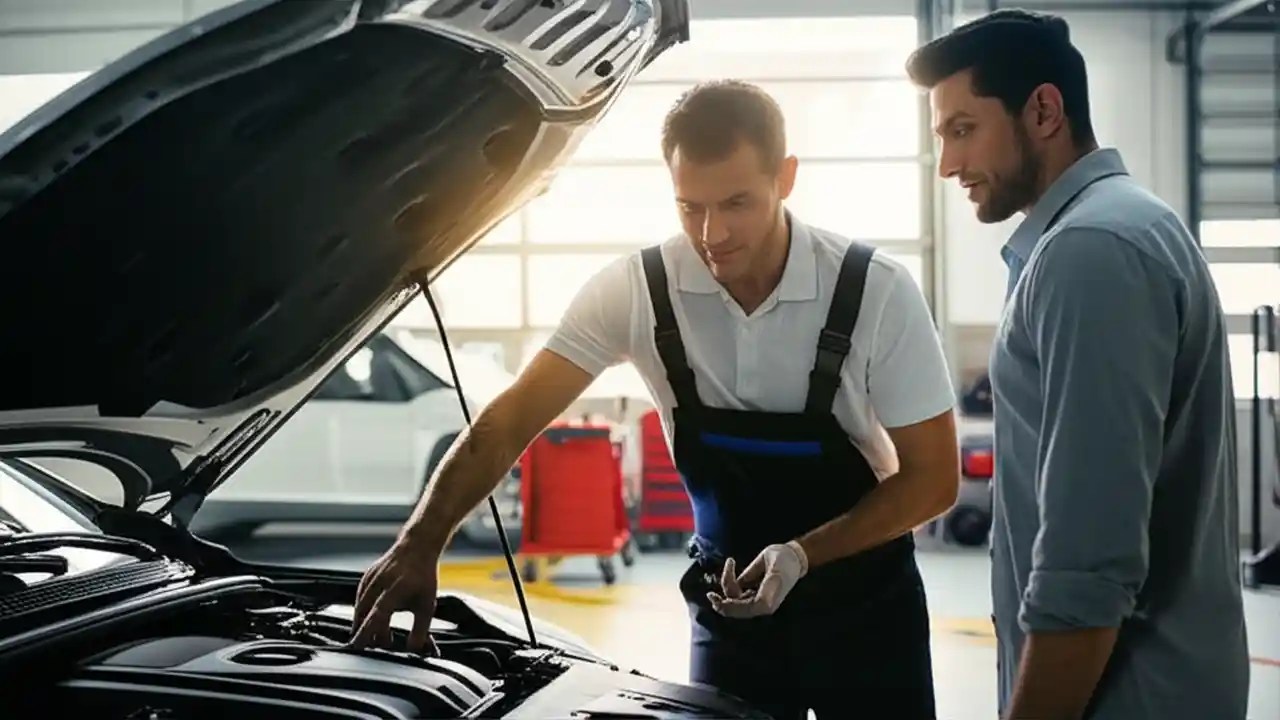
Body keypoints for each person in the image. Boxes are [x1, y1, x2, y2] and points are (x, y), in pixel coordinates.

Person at [350, 79, 961, 719]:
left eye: (737, 203)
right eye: (690, 207)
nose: (713, 233)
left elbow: (933, 479)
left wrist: (800, 556)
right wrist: (419, 542)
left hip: (867, 608)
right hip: (731, 612)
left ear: (785, 177)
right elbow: (508, 422)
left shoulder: (874, 292)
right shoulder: (638, 291)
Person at [906, 9, 1250, 720]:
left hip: (1129, 698)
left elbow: (1088, 564)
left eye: (962, 130)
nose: (947, 165)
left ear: (1043, 111)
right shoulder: (1122, 226)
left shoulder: (1090, 252)